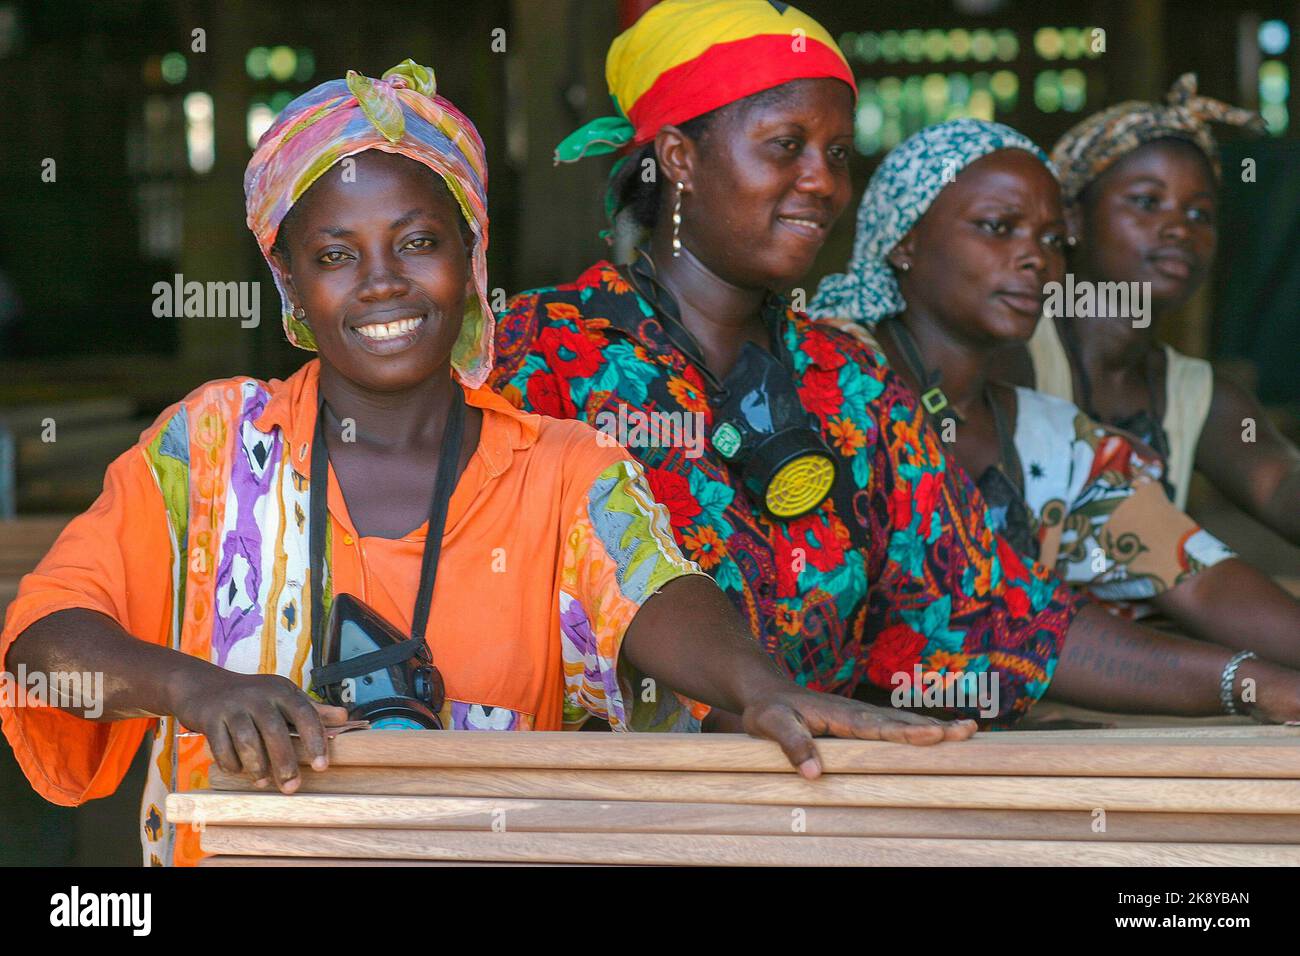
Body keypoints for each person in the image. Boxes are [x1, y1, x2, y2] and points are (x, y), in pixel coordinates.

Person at [0, 59, 975, 868]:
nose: (382, 279)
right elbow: (43, 651)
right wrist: (194, 688)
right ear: (287, 278)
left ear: (470, 257)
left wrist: (757, 683)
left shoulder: (560, 464)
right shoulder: (210, 446)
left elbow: (651, 590)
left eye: (419, 241)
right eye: (335, 253)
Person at [491, 2, 1300, 732]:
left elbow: (986, 617)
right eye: (787, 146)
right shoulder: (540, 359)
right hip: (603, 810)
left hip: (829, 801)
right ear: (679, 157)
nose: (823, 181)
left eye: (838, 152)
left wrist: (1249, 682)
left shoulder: (846, 380)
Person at [810, 119, 1300, 671]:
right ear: (905, 240)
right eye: (998, 226)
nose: (1033, 258)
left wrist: (1246, 682)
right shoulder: (824, 376)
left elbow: (1199, 579)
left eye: (1049, 240)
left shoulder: (1053, 440)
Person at [993, 75, 1300, 541]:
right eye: (1146, 202)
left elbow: (1279, 484)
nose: (1179, 228)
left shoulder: (1200, 396)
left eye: (1199, 213)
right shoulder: (1007, 362)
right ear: (1072, 218)